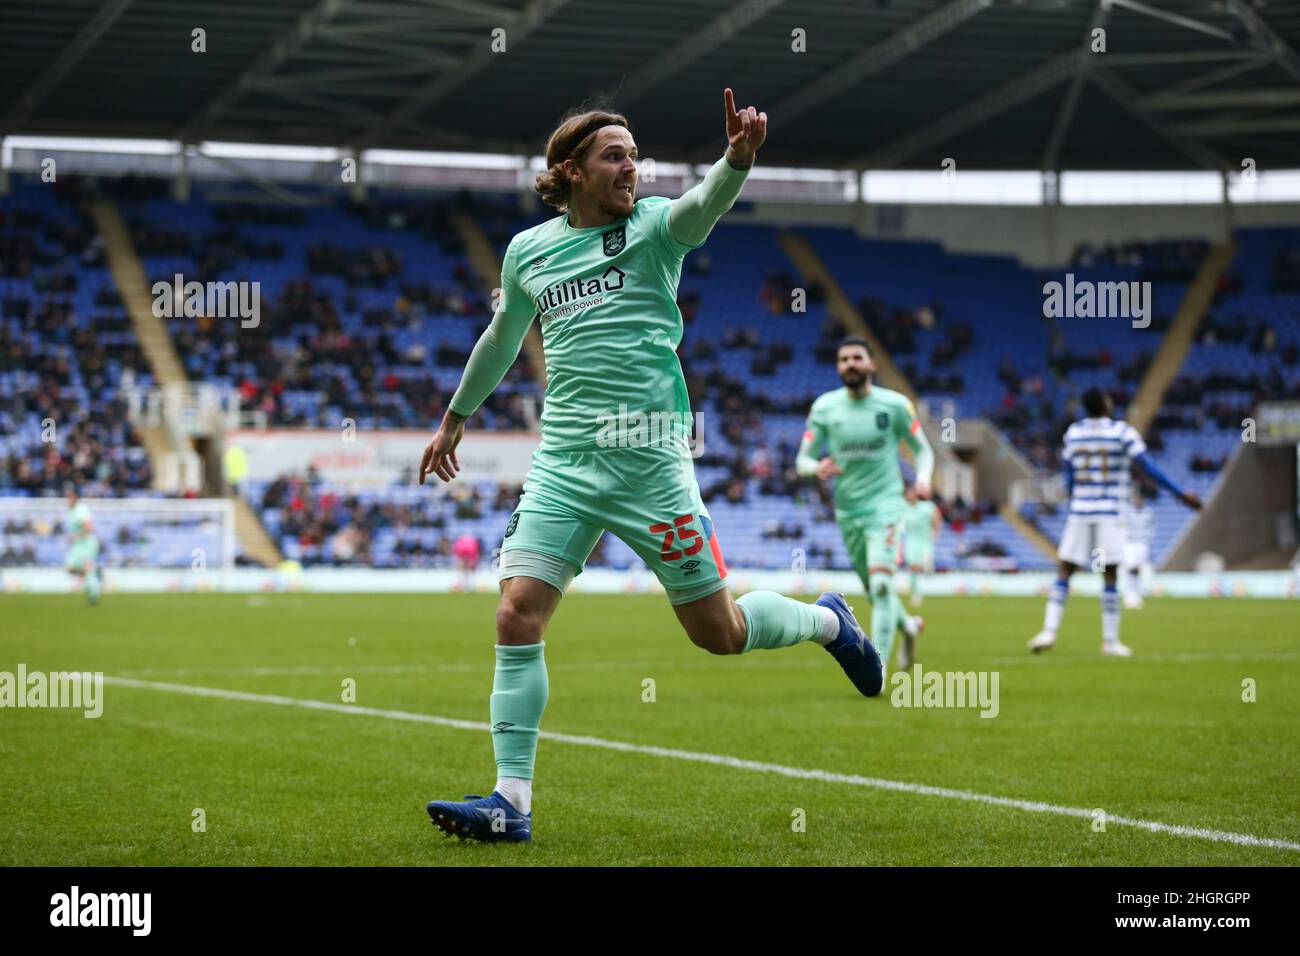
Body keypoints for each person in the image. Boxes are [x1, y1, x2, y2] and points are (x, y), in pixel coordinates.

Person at [418, 90, 882, 844]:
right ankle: (510, 801)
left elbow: (702, 207)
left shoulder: (653, 229)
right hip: (565, 465)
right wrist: (455, 417)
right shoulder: (529, 251)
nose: (631, 166)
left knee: (719, 634)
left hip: (652, 467)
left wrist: (737, 159)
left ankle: (828, 622)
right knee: (515, 612)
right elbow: (503, 338)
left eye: (636, 155)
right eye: (614, 155)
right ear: (570, 170)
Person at [795, 338, 933, 676]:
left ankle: (878, 664)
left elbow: (923, 449)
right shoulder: (825, 408)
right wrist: (816, 468)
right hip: (848, 512)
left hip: (887, 505)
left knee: (883, 585)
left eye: (857, 358)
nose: (850, 364)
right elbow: (802, 460)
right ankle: (910, 628)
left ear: (872, 365)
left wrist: (924, 477)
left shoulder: (895, 406)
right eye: (843, 359)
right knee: (875, 590)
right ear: (838, 367)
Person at [1028, 388, 1200, 656]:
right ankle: (1109, 642)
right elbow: (1147, 465)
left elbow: (1069, 474)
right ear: (1106, 405)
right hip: (1110, 512)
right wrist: (1179, 493)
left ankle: (1049, 631)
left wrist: (1077, 497)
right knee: (1109, 575)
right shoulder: (1122, 432)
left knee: (1065, 570)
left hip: (1081, 510)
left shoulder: (1074, 433)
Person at [902, 483, 941, 612]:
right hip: (911, 540)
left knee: (919, 566)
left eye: (910, 492)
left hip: (924, 540)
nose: (908, 495)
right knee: (912, 567)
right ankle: (916, 593)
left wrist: (935, 532)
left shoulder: (927, 507)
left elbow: (936, 517)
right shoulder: (906, 508)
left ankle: (928, 566)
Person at [64, 488, 101, 606]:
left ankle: (94, 595)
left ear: (75, 497)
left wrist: (76, 537)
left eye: (69, 497)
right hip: (79, 544)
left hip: (87, 544)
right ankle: (95, 576)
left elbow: (88, 527)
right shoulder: (71, 511)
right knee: (70, 568)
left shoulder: (82, 509)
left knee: (88, 568)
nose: (67, 500)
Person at [1120, 488, 1154, 610]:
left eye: (1141, 499)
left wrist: (1148, 541)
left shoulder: (1148, 512)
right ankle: (1129, 596)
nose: (1138, 501)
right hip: (1130, 544)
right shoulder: (1127, 512)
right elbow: (1122, 527)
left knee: (1138, 570)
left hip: (1142, 544)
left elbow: (1151, 528)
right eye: (1137, 499)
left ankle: (1136, 596)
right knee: (1130, 569)